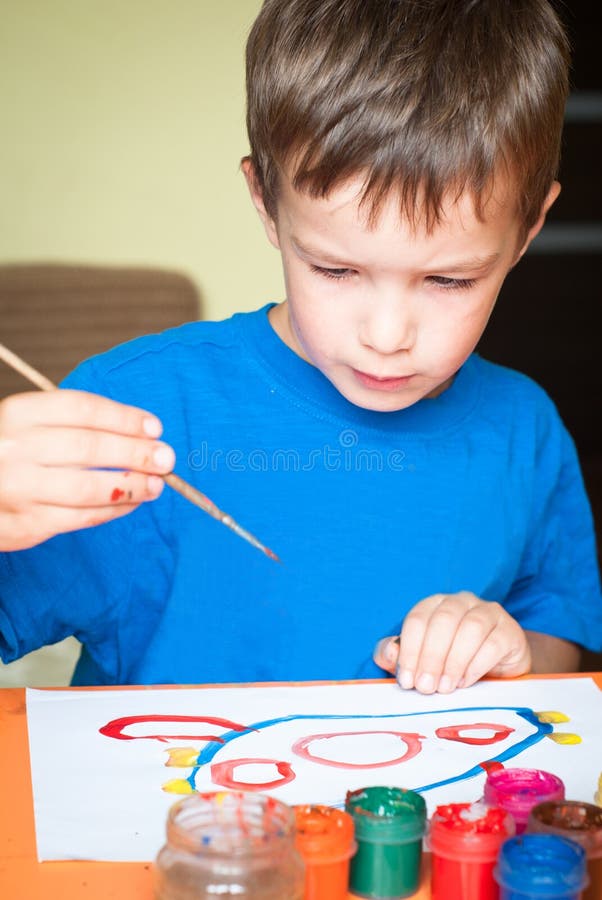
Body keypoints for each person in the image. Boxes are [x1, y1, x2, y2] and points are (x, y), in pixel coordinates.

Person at [0, 0, 600, 692]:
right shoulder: (133, 414)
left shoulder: (523, 430)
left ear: (529, 229)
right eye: (336, 270)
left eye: (448, 278)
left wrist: (508, 649)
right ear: (266, 204)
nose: (386, 337)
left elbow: (557, 646)